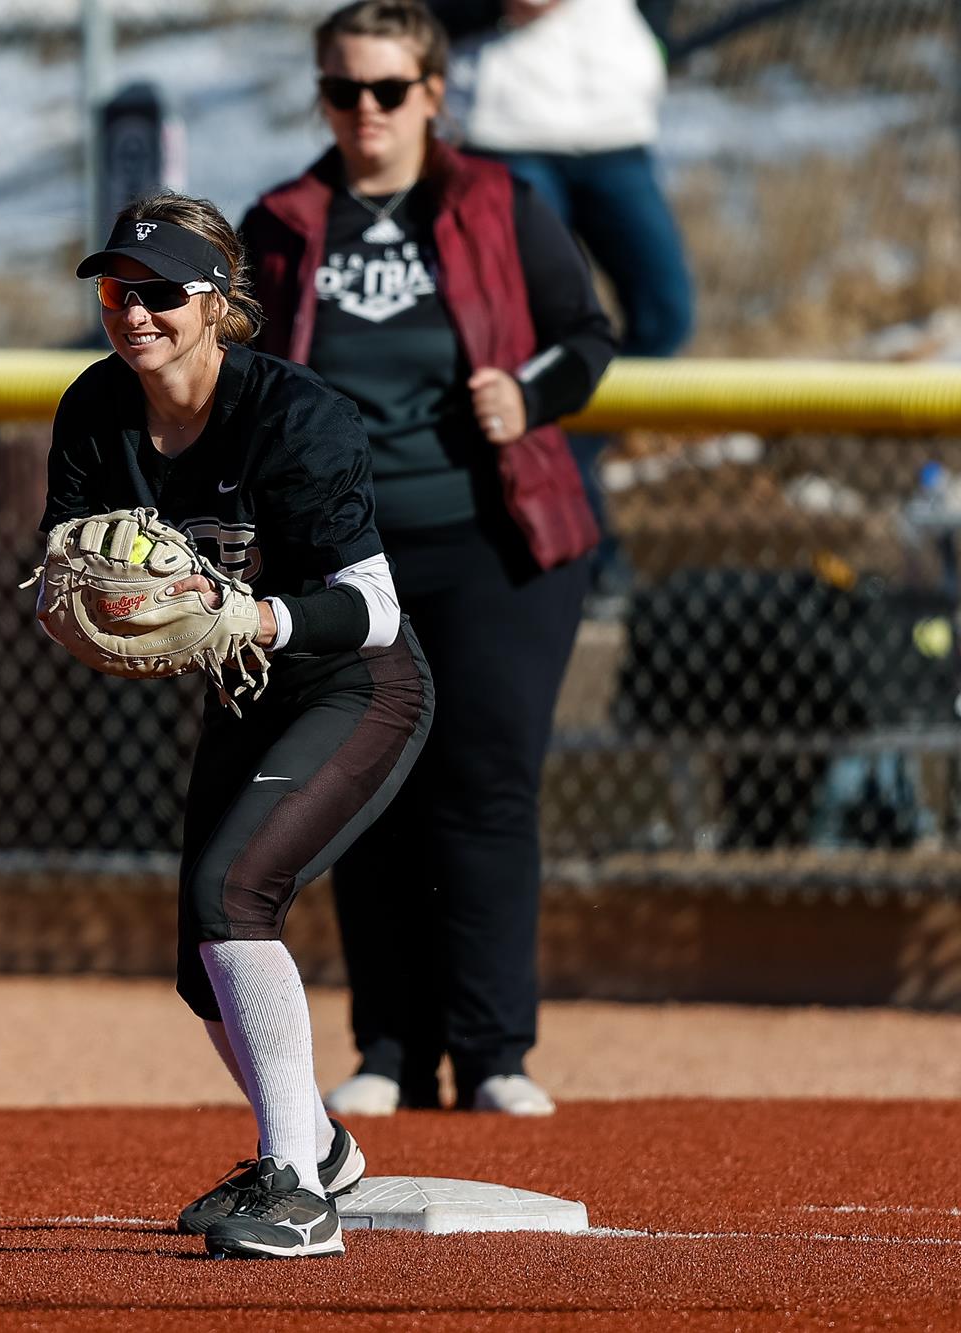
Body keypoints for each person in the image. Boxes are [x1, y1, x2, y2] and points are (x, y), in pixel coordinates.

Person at [240, 0, 615, 1116]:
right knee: (368, 791)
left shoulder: (498, 201)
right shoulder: (282, 218)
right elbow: (243, 364)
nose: (365, 112)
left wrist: (528, 391)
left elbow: (584, 337)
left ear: (432, 94)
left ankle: (494, 1052)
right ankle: (390, 1049)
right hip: (348, 558)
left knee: (485, 790)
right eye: (342, 91)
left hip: (497, 542)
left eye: (387, 90)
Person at [42, 193, 433, 1259]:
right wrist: (86, 616)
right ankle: (319, 1146)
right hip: (245, 687)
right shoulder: (94, 411)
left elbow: (376, 610)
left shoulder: (295, 414)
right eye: (118, 292)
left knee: (231, 896)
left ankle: (298, 1193)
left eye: (161, 293)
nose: (135, 315)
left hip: (356, 683)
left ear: (216, 302)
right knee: (197, 959)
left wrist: (248, 613)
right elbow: (70, 574)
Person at [432, 0, 694, 595]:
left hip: (616, 128)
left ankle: (567, 468)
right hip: (506, 129)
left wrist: (650, 39)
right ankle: (576, 540)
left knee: (666, 314)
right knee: (538, 328)